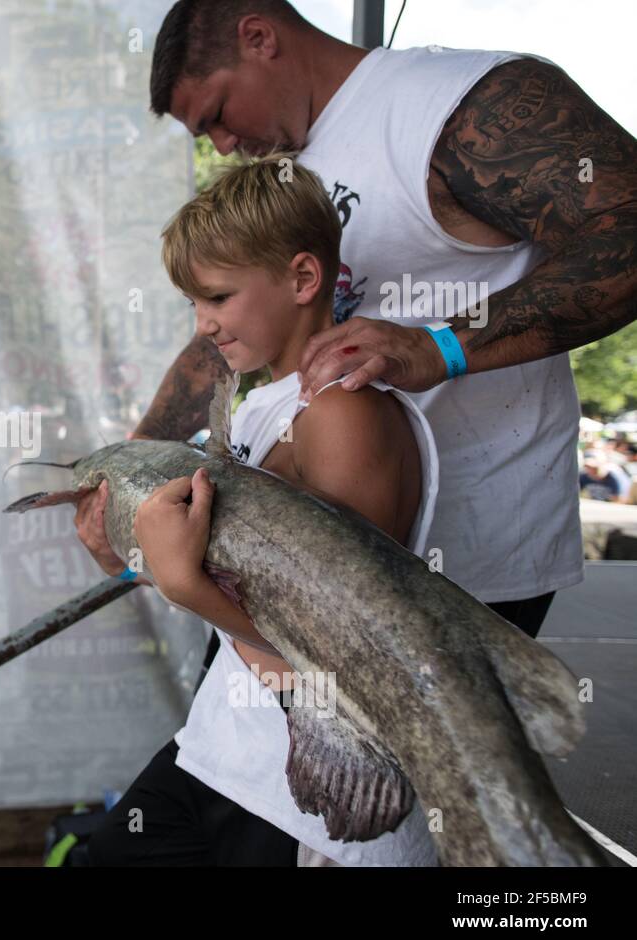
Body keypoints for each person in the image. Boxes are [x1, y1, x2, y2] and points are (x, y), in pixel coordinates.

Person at [145, 0, 637, 641]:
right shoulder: (283, 176)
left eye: (215, 115)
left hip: (465, 574)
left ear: (259, 38)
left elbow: (628, 226)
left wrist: (441, 347)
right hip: (294, 577)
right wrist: (133, 462)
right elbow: (228, 329)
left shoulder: (454, 100)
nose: (223, 145)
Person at [85, 156, 440, 866]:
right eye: (193, 302)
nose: (204, 325)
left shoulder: (342, 411)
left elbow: (346, 645)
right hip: (228, 753)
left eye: (217, 297)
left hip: (312, 793)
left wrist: (178, 584)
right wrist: (138, 562)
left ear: (304, 279)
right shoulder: (265, 402)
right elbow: (250, 590)